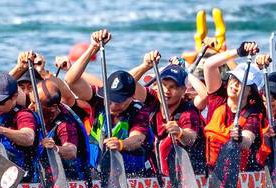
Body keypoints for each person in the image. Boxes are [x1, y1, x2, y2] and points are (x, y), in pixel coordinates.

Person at [65, 31, 153, 176]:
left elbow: (137, 139)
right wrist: (93, 48)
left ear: (131, 98)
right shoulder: (99, 100)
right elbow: (71, 81)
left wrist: (121, 144)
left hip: (131, 176)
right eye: (109, 99)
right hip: (97, 174)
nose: (111, 104)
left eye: (117, 101)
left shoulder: (139, 110)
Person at [192, 41, 265, 172]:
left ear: (250, 92)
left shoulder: (252, 115)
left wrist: (240, 138)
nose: (234, 84)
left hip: (237, 174)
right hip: (210, 171)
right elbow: (209, 65)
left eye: (241, 82)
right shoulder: (217, 99)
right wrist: (238, 51)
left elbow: (248, 139)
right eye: (233, 78)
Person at [143, 58, 206, 175]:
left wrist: (180, 132)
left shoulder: (188, 110)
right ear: (157, 86)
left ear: (183, 90)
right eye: (164, 85)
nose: (166, 91)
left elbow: (190, 138)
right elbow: (129, 87)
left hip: (189, 176)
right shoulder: (152, 100)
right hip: (159, 177)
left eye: (173, 87)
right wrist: (146, 66)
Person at [0, 71, 40, 175]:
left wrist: (1, 130)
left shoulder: (23, 115)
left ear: (14, 96)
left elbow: (28, 138)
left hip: (20, 180)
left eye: (0, 102)